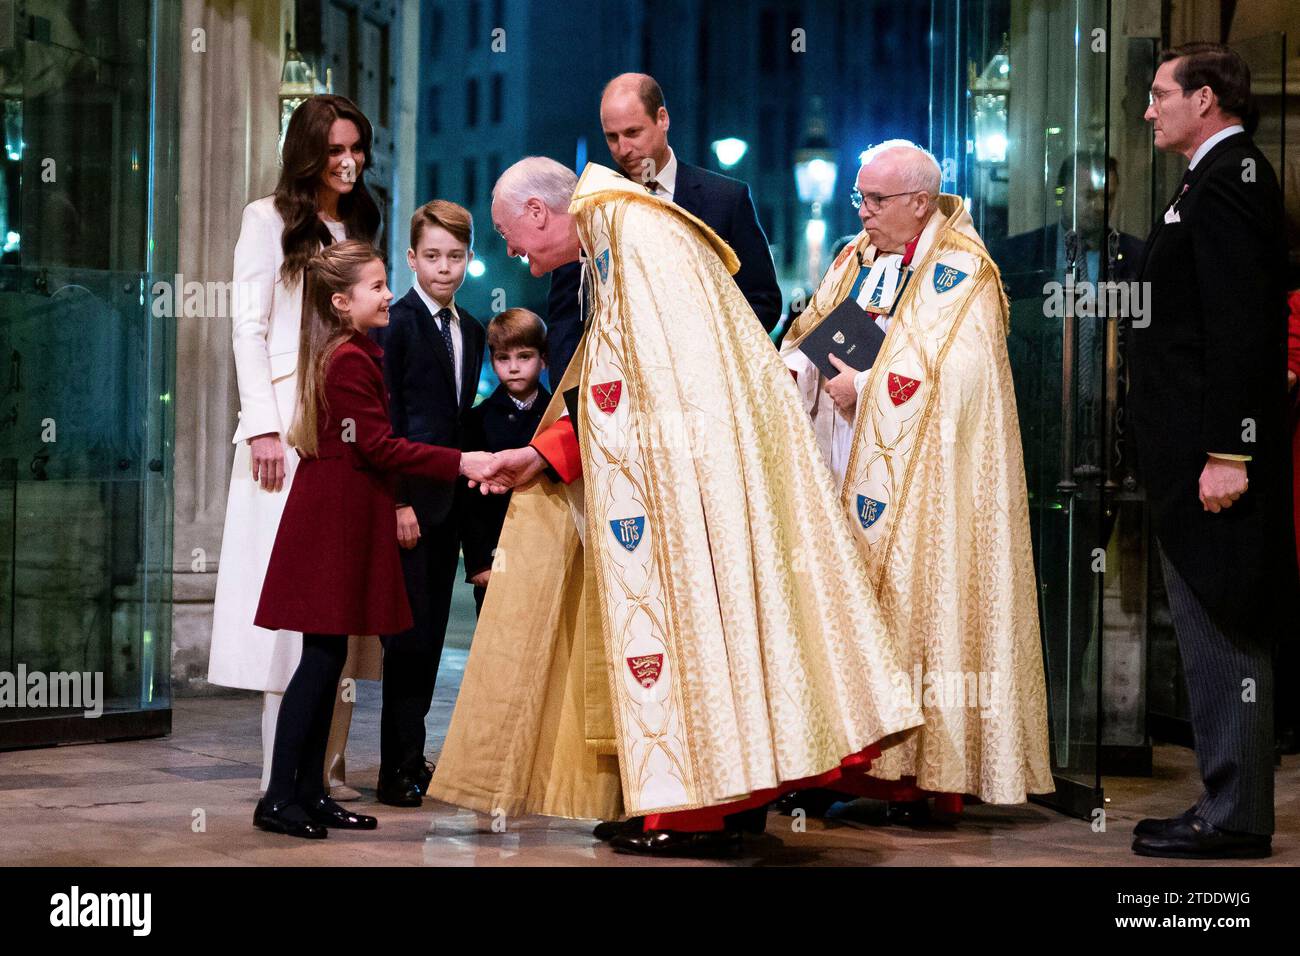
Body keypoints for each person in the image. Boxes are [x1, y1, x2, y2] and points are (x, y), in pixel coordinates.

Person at [425, 157, 923, 858]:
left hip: (691, 483)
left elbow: (646, 385)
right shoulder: (621, 233)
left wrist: (550, 453)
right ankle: (689, 804)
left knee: (698, 632)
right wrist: (546, 457)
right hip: (690, 473)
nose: (513, 254)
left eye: (512, 236)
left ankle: (699, 814)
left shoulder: (634, 237)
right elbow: (625, 378)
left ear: (540, 213)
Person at [780, 141, 1054, 818]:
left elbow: (965, 379)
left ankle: (924, 780)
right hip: (840, 459)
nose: (864, 213)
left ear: (920, 202)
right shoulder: (855, 259)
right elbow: (811, 331)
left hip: (923, 487)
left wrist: (867, 388)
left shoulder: (963, 271)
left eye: (876, 201)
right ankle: (847, 769)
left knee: (919, 609)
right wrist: (793, 370)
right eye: (859, 198)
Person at [251, 241, 500, 839]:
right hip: (333, 518)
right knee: (318, 660)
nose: (387, 294)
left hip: (342, 512)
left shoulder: (354, 349)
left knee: (328, 655)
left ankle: (307, 792)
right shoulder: (350, 359)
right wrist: (464, 461)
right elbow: (379, 447)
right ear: (342, 302)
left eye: (387, 283)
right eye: (376, 287)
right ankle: (280, 797)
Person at [1128, 43, 1294, 859]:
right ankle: (1227, 803)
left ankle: (1233, 818)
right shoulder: (1212, 176)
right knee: (1210, 629)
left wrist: (1232, 451)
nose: (1150, 108)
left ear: (1207, 99)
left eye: (1161, 94)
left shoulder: (1232, 180)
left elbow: (1241, 330)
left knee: (1224, 626)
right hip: (1194, 458)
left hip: (1216, 463)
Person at [208, 94, 380, 803]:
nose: (348, 161)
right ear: (308, 150)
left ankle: (324, 777)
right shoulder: (266, 219)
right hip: (286, 435)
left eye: (357, 148)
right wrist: (263, 426)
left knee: (338, 613)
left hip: (347, 435)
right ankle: (282, 783)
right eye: (335, 149)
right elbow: (247, 326)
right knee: (293, 615)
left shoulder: (360, 220)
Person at [544, 73, 782, 384]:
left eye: (633, 132)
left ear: (662, 118)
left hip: (709, 388)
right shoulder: (590, 209)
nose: (623, 148)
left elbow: (762, 300)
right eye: (611, 137)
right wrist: (575, 404)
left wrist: (706, 353)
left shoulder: (725, 199)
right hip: (621, 399)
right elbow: (567, 319)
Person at [369, 200, 486, 808]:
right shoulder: (397, 323)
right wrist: (397, 503)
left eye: (455, 256)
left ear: (469, 258)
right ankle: (395, 772)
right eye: (433, 256)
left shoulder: (472, 329)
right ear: (411, 258)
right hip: (410, 507)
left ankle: (414, 759)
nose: (444, 268)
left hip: (449, 506)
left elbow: (458, 422)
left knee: (434, 640)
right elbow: (391, 418)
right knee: (407, 643)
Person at [460, 308, 550, 615]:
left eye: (524, 357)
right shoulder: (478, 419)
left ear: (544, 359)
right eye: (503, 358)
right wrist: (479, 562)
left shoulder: (559, 417)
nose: (513, 367)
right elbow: (470, 499)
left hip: (548, 548)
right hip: (498, 550)